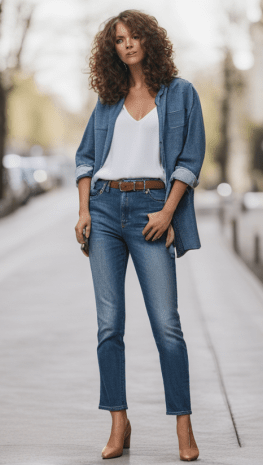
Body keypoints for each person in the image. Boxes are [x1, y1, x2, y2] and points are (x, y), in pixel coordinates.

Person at [74, 10, 205, 462]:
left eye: (133, 37)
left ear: (149, 40)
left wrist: (168, 212)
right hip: (106, 210)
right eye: (118, 39)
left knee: (167, 324)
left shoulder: (181, 93)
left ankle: (184, 426)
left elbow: (191, 159)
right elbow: (86, 157)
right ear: (112, 49)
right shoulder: (108, 98)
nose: (127, 45)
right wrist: (83, 211)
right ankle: (118, 421)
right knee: (109, 325)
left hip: (152, 210)